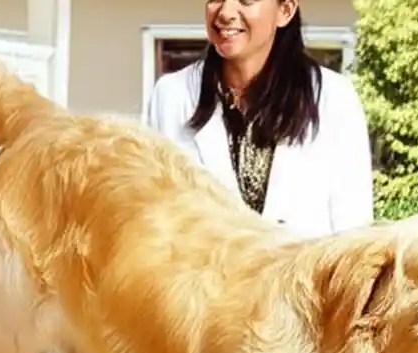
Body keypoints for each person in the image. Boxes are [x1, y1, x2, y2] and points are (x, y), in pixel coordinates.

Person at [144, 0, 374, 239]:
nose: (225, 13)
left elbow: (354, 236)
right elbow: (153, 222)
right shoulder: (171, 95)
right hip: (202, 274)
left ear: (285, 10)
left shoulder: (334, 98)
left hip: (301, 273)